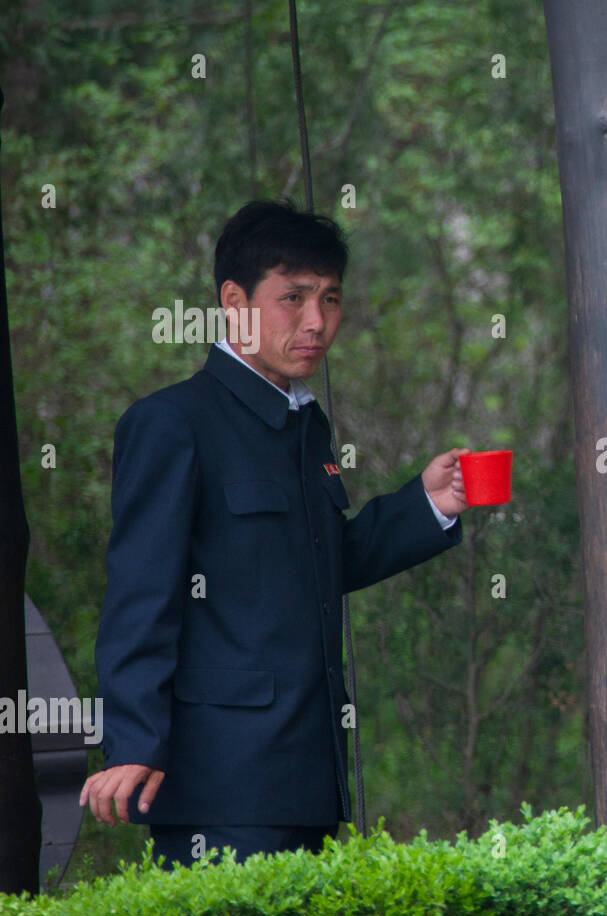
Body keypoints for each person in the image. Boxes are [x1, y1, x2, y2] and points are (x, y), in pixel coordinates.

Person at [80, 198, 470, 865]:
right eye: (293, 297)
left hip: (308, 779)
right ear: (234, 299)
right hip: (218, 788)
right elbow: (141, 596)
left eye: (330, 299)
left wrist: (425, 504)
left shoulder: (304, 426)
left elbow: (318, 563)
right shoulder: (173, 423)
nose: (317, 322)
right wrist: (136, 741)